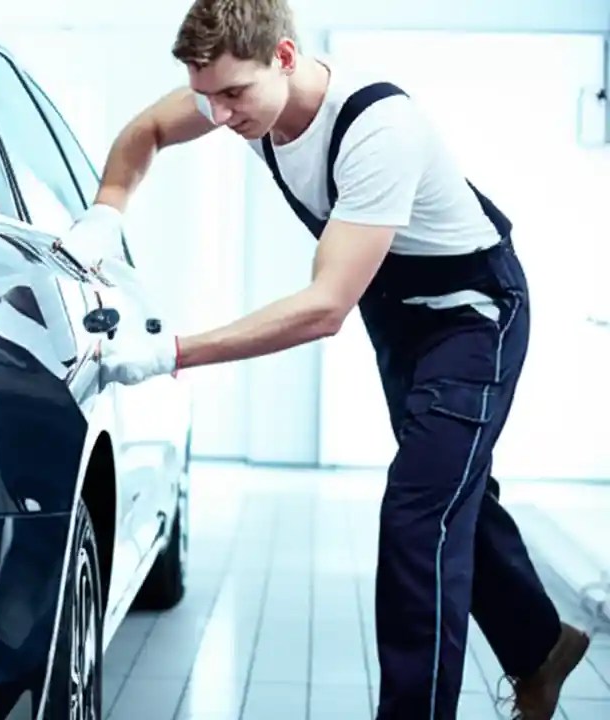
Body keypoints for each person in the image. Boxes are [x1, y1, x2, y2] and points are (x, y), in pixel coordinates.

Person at [55, 0, 592, 718]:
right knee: (449, 489)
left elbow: (325, 308)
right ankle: (541, 647)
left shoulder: (378, 130)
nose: (219, 116)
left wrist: (171, 353)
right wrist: (107, 211)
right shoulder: (237, 98)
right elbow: (147, 129)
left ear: (283, 56)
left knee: (418, 515)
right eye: (207, 97)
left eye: (233, 94)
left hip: (473, 315)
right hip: (399, 316)